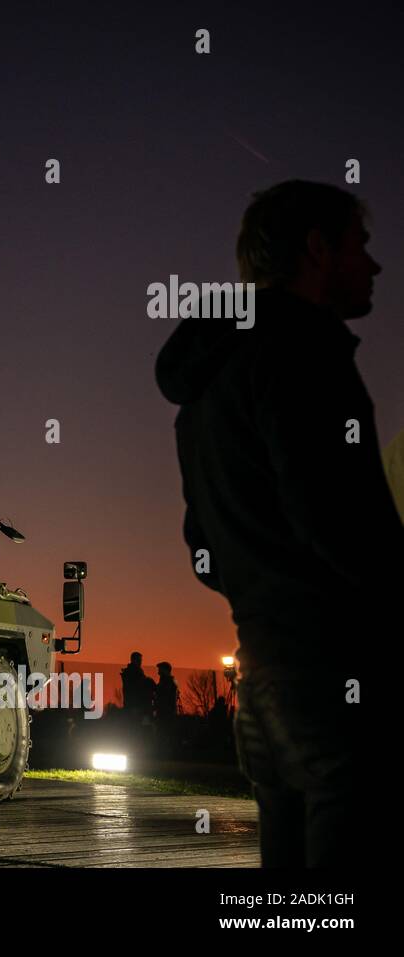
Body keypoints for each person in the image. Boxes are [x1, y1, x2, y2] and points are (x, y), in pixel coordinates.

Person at [156, 180, 404, 866]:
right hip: (334, 680)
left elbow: (201, 545)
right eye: (362, 245)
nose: (376, 265)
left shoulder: (205, 387)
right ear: (318, 249)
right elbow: (340, 523)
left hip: (263, 685)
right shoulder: (304, 353)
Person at [120, 652, 155, 724]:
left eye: (140, 660)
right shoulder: (134, 672)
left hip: (133, 705)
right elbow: (139, 687)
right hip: (136, 706)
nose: (140, 662)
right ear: (134, 660)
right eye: (139, 660)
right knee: (138, 727)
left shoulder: (132, 672)